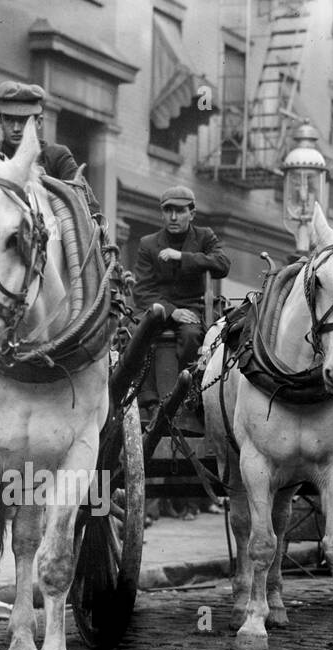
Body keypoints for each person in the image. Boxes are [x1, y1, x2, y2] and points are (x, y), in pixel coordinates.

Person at [133, 186, 229, 520]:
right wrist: (171, 311)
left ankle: (192, 393)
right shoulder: (148, 245)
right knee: (139, 339)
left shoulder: (204, 236)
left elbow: (222, 264)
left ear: (191, 212)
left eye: (180, 210)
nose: (173, 217)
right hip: (161, 309)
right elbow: (142, 291)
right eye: (168, 211)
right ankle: (147, 397)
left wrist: (182, 258)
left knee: (193, 337)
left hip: (195, 310)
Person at [0, 82, 99, 211]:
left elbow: (89, 209)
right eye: (9, 120)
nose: (16, 128)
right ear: (0, 121)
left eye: (24, 121)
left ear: (39, 122)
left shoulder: (57, 158)